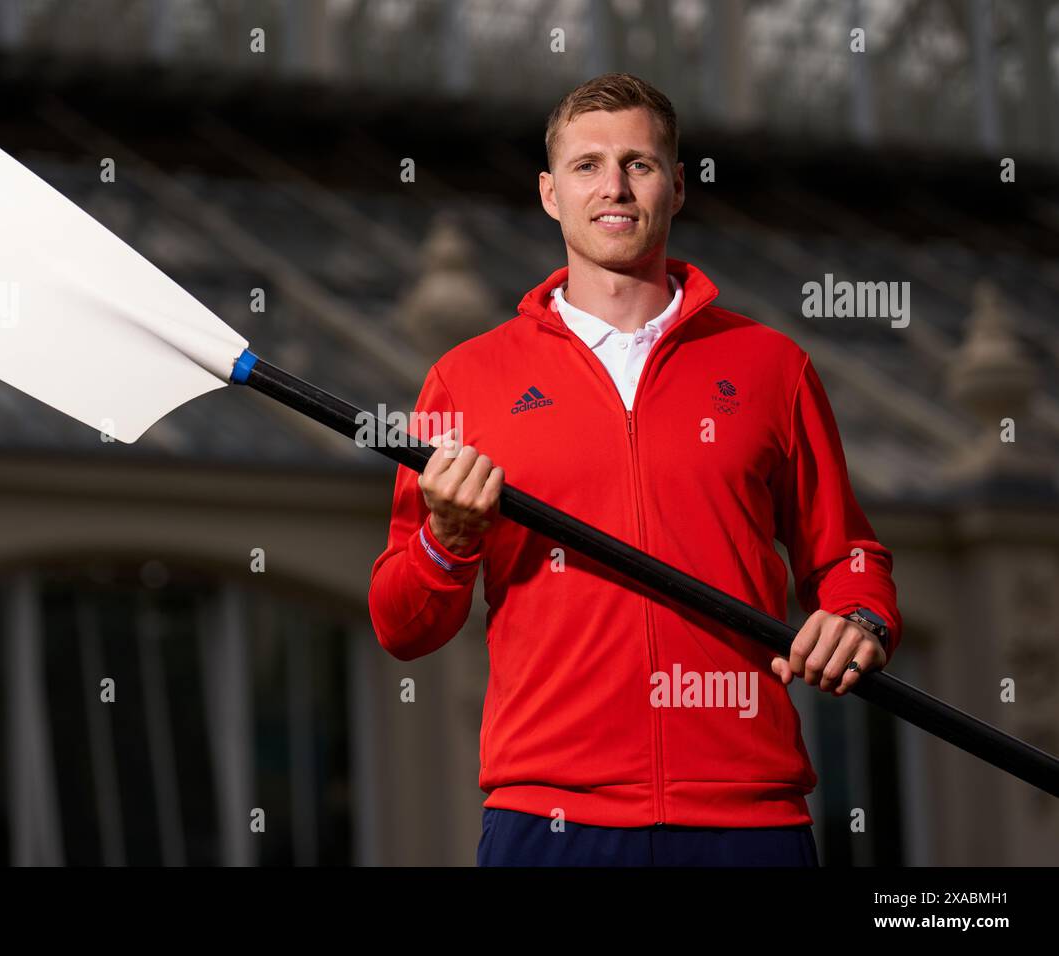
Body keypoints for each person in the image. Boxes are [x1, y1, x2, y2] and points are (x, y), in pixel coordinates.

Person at [367, 73, 902, 867]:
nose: (613, 186)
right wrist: (448, 539)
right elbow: (399, 625)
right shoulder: (466, 380)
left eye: (639, 164)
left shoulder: (770, 367)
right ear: (550, 193)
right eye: (587, 166)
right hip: (548, 819)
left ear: (677, 186)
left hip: (746, 816)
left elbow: (848, 558)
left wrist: (860, 622)